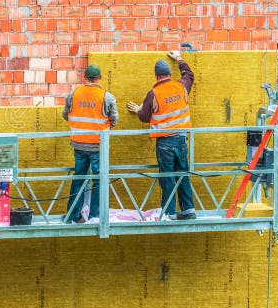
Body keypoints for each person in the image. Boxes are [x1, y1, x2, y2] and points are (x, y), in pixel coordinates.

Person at [126, 51, 196, 220]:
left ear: (156, 76)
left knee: (167, 177)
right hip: (181, 139)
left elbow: (144, 116)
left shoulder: (153, 94)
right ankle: (189, 210)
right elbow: (189, 75)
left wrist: (138, 109)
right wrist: (179, 58)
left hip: (165, 142)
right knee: (182, 174)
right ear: (170, 75)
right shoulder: (181, 86)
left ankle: (170, 213)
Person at [62, 64, 118, 223]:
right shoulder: (106, 96)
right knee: (99, 179)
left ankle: (73, 215)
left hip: (78, 144)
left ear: (85, 77)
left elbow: (66, 115)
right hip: (98, 145)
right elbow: (114, 119)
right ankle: (95, 215)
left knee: (78, 178)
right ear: (100, 78)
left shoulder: (73, 94)